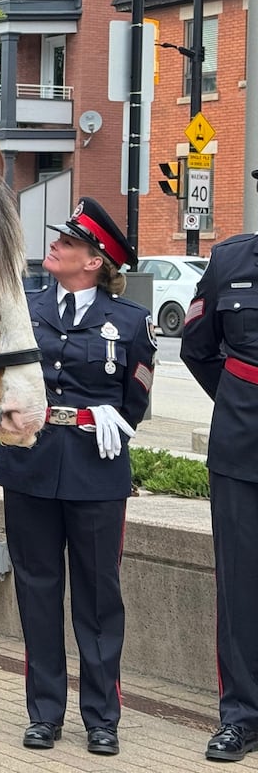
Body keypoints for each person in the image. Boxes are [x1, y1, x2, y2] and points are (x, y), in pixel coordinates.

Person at [0, 197, 154, 758]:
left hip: (94, 469)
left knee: (98, 596)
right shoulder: (23, 308)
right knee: (37, 591)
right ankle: (44, 713)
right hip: (30, 462)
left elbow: (137, 400)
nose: (54, 245)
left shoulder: (130, 322)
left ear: (94, 261)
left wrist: (113, 418)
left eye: (68, 242)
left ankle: (102, 718)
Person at [182, 171, 258, 763]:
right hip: (240, 450)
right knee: (239, 588)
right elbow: (197, 347)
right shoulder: (230, 261)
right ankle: (241, 715)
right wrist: (237, 403)